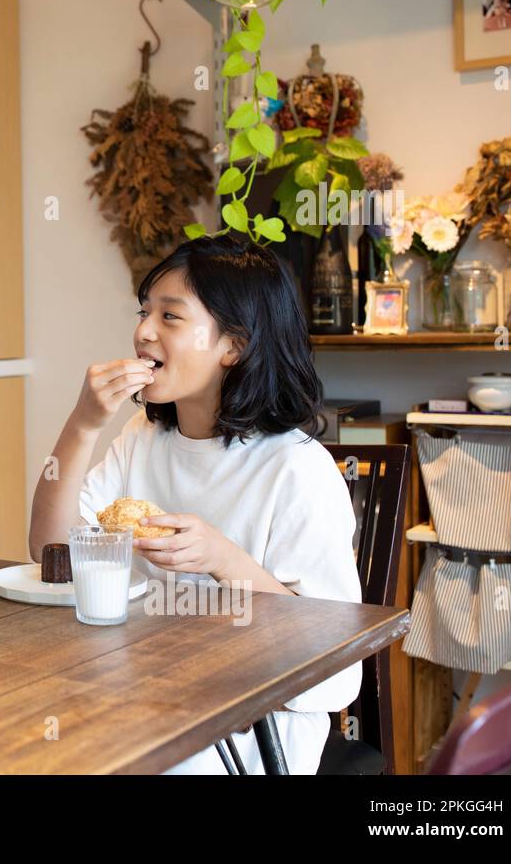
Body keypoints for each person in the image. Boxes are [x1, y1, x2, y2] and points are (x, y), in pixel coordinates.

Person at [29, 235, 362, 774]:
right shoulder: (142, 438)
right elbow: (52, 552)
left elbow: (336, 671)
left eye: (170, 316)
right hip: (143, 693)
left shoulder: (298, 469)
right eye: (144, 312)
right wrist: (83, 423)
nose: (142, 331)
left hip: (252, 727)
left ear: (234, 345)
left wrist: (223, 559)